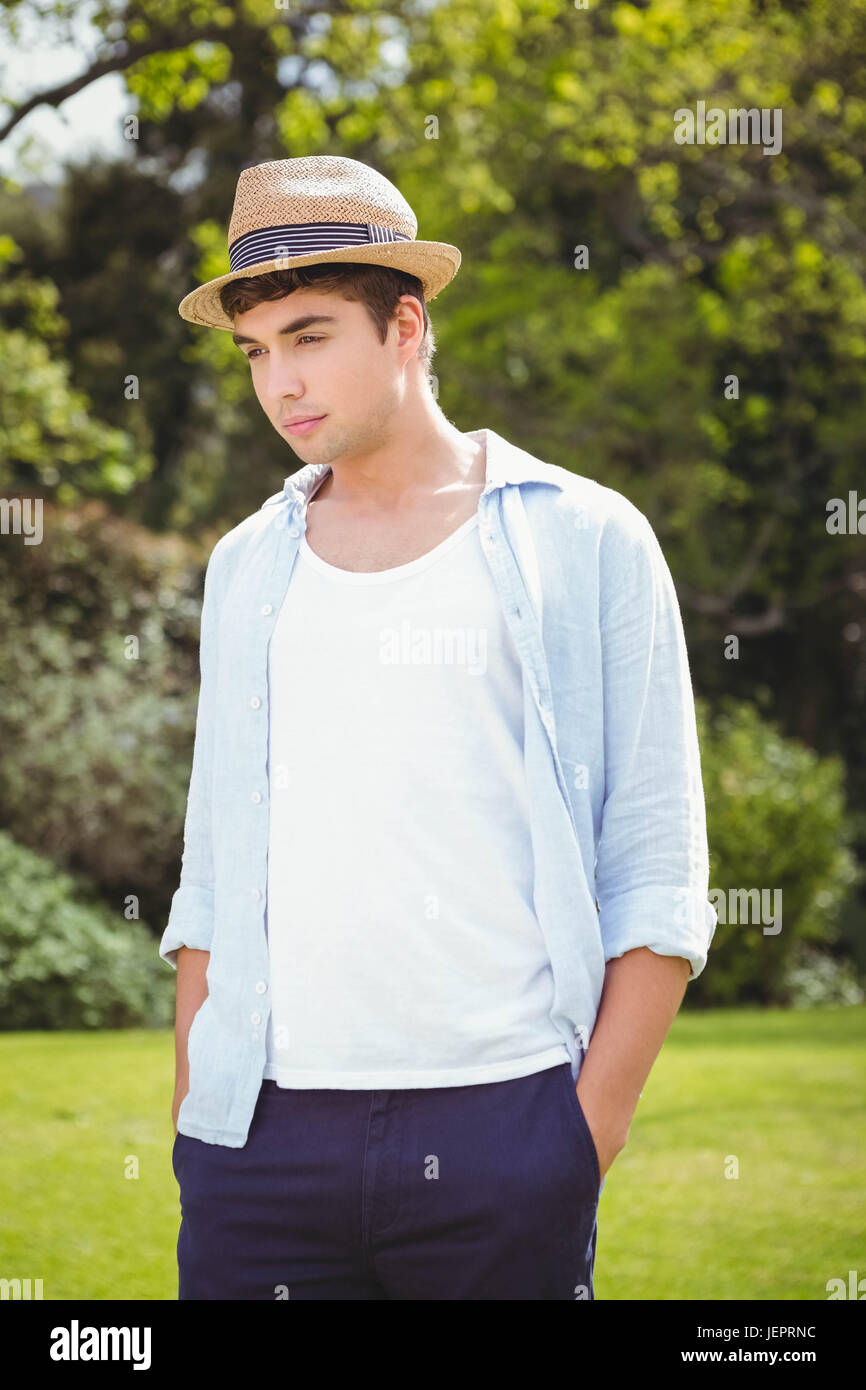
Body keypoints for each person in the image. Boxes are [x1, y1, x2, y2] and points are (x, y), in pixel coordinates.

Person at [160, 154, 717, 1300]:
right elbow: (211, 869)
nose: (280, 383)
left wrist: (578, 1136)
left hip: (502, 1125)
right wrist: (196, 1115)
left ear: (405, 326)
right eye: (257, 350)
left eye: (309, 336)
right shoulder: (244, 566)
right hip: (257, 1140)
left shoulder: (585, 539)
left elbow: (656, 870)